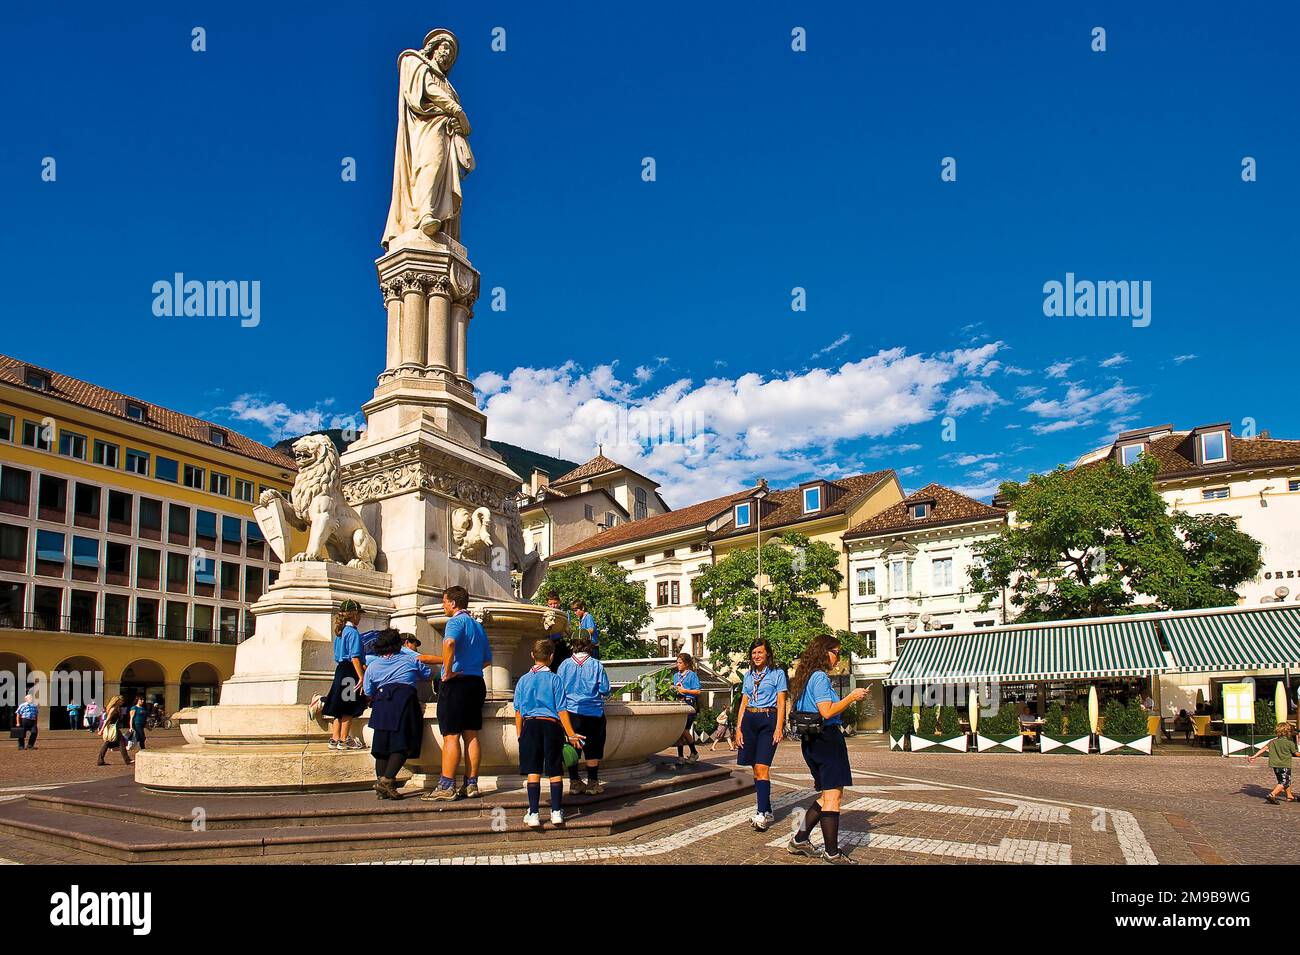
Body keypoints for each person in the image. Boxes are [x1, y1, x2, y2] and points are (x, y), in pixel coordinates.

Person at [787, 635, 867, 865]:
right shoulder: (820, 677)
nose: (838, 658)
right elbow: (827, 711)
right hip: (827, 739)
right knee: (833, 797)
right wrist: (852, 697)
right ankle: (832, 853)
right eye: (836, 653)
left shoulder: (805, 678)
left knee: (825, 796)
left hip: (811, 742)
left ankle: (800, 840)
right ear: (824, 652)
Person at [420, 585, 492, 801]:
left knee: (451, 735)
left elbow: (449, 642)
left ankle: (446, 785)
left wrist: (448, 671)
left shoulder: (455, 621)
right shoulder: (479, 627)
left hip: (457, 683)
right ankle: (471, 784)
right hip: (476, 682)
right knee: (471, 735)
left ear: (452, 603)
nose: (443, 605)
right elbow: (487, 660)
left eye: (444, 601)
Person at [514, 639, 583, 828]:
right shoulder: (555, 679)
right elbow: (562, 709)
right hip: (551, 726)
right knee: (554, 769)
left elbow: (518, 711)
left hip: (530, 726)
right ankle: (555, 811)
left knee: (533, 770)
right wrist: (571, 733)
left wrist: (520, 734)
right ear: (551, 657)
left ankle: (534, 812)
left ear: (532, 656)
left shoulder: (523, 680)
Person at [364, 629, 434, 799]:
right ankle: (387, 781)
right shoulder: (410, 659)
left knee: (382, 747)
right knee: (404, 743)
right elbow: (428, 674)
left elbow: (367, 690)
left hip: (381, 703)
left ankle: (382, 785)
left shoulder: (373, 665)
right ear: (398, 644)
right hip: (404, 702)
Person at [735, 638, 787, 831]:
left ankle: (760, 814)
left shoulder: (777, 674)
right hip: (749, 720)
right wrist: (738, 728)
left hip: (768, 719)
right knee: (756, 769)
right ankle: (768, 809)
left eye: (760, 652)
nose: (757, 656)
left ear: (767, 654)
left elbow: (781, 703)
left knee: (762, 767)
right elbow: (743, 702)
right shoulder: (748, 676)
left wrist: (779, 727)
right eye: (754, 653)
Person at [557, 629, 610, 794]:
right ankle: (593, 783)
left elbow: (558, 689)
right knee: (593, 748)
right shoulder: (596, 664)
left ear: (572, 645)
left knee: (573, 747)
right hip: (593, 713)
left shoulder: (564, 665)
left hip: (571, 713)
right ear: (589, 645)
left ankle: (574, 782)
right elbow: (605, 689)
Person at [320, 599, 367, 751]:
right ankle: (344, 738)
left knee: (339, 705)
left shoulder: (340, 633)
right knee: (348, 705)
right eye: (359, 614)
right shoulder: (352, 632)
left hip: (341, 669)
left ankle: (335, 738)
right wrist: (361, 676)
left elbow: (337, 655)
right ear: (353, 615)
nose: (360, 618)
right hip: (350, 670)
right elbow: (354, 657)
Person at [1247, 722, 1297, 805]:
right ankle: (1272, 795)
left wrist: (1254, 756)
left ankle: (1289, 796)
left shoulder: (1272, 741)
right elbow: (1296, 754)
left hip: (1275, 766)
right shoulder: (1290, 743)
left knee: (1283, 780)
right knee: (1284, 782)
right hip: (1284, 765)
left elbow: (1263, 749)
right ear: (1288, 732)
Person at [672, 652, 702, 766]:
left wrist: (685, 691)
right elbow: (676, 688)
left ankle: (694, 752)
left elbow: (698, 691)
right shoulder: (675, 676)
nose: (678, 665)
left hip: (689, 703)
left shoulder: (692, 675)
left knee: (684, 730)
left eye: (680, 662)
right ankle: (680, 756)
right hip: (678, 703)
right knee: (679, 731)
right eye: (677, 662)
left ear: (686, 664)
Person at [96, 695, 132, 766]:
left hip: (113, 728)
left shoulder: (116, 708)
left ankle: (100, 760)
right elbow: (107, 720)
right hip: (112, 728)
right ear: (117, 701)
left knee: (107, 743)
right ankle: (127, 760)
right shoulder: (113, 709)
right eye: (121, 701)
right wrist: (101, 730)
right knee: (121, 742)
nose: (122, 702)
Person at [545, 591, 572, 672]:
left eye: (555, 603)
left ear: (559, 602)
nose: (553, 606)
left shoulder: (564, 614)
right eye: (551, 604)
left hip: (560, 643)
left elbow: (568, 630)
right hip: (549, 644)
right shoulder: (545, 613)